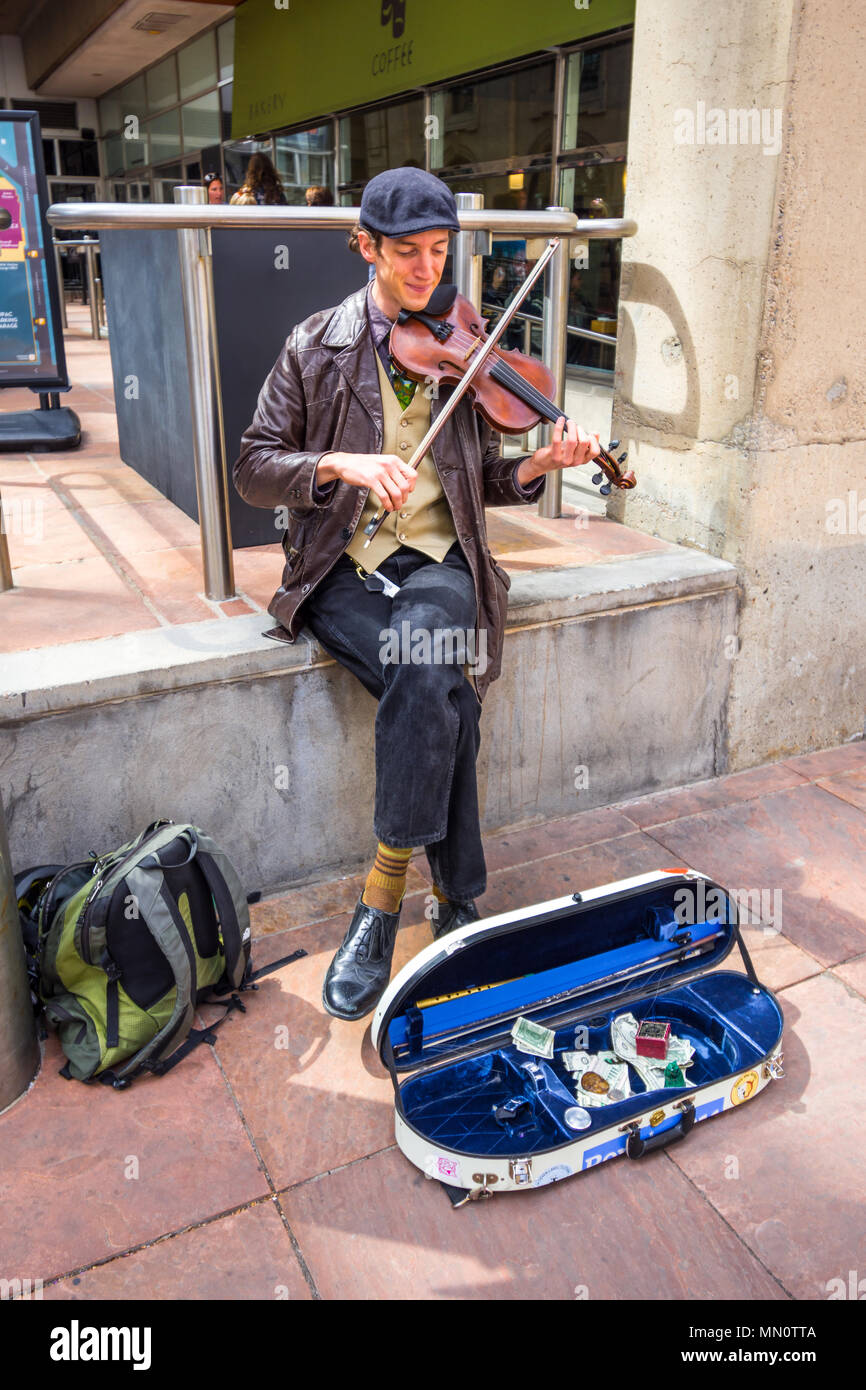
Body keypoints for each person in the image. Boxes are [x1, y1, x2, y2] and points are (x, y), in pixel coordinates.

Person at [232, 168, 600, 1022]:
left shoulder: (466, 342)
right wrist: (338, 464)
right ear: (366, 248)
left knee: (423, 651)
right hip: (340, 563)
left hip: (439, 559)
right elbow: (254, 466)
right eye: (407, 255)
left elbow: (490, 482)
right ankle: (460, 899)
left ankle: (382, 895)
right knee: (443, 693)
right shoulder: (315, 344)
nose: (428, 271)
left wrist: (540, 467)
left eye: (440, 252)